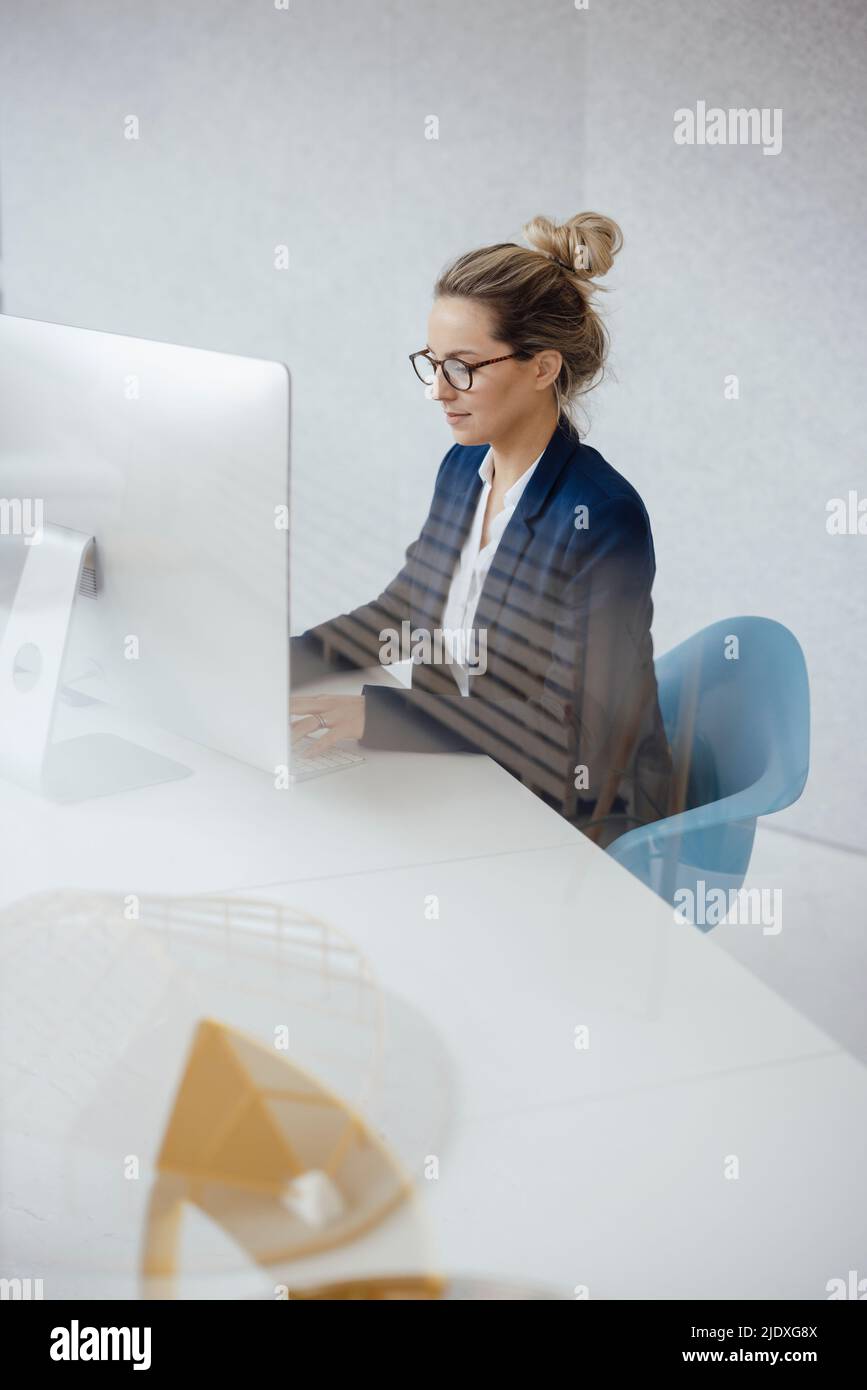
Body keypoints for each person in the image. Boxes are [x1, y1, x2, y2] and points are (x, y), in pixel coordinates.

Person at [290, 212, 673, 846]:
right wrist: (280, 663)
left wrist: (377, 716)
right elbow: (406, 611)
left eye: (463, 367)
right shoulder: (464, 465)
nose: (438, 391)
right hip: (467, 770)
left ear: (543, 368)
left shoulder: (602, 517)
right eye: (432, 363)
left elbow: (573, 740)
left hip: (574, 814)